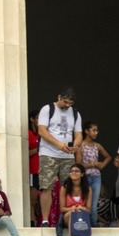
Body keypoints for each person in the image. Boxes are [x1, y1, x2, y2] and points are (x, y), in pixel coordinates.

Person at [37, 87, 82, 227]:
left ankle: (66, 217)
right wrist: (59, 145)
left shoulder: (75, 113)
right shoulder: (47, 109)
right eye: (65, 102)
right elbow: (42, 131)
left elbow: (79, 133)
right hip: (48, 152)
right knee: (46, 186)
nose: (67, 105)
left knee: (69, 186)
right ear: (59, 97)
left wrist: (75, 145)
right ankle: (45, 219)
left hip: (67, 155)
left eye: (70, 103)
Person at [75, 120, 111, 226]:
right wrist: (94, 164)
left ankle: (93, 225)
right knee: (84, 202)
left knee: (94, 203)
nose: (96, 133)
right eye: (93, 130)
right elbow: (78, 165)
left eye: (97, 130)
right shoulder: (80, 146)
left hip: (96, 177)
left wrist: (102, 165)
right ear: (86, 131)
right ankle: (84, 224)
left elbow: (108, 157)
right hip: (84, 177)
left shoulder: (97, 146)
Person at [59, 163, 92, 236]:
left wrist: (82, 208)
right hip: (68, 216)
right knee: (72, 213)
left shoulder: (87, 188)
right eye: (71, 171)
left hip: (82, 216)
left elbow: (88, 209)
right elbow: (62, 208)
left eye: (76, 171)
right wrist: (71, 208)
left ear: (82, 174)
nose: (73, 173)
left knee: (82, 212)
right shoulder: (64, 188)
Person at [28, 109, 41, 227]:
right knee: (32, 200)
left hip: (42, 170)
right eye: (38, 117)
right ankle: (32, 221)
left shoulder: (42, 134)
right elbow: (25, 153)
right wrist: (38, 148)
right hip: (33, 170)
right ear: (32, 119)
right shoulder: (29, 134)